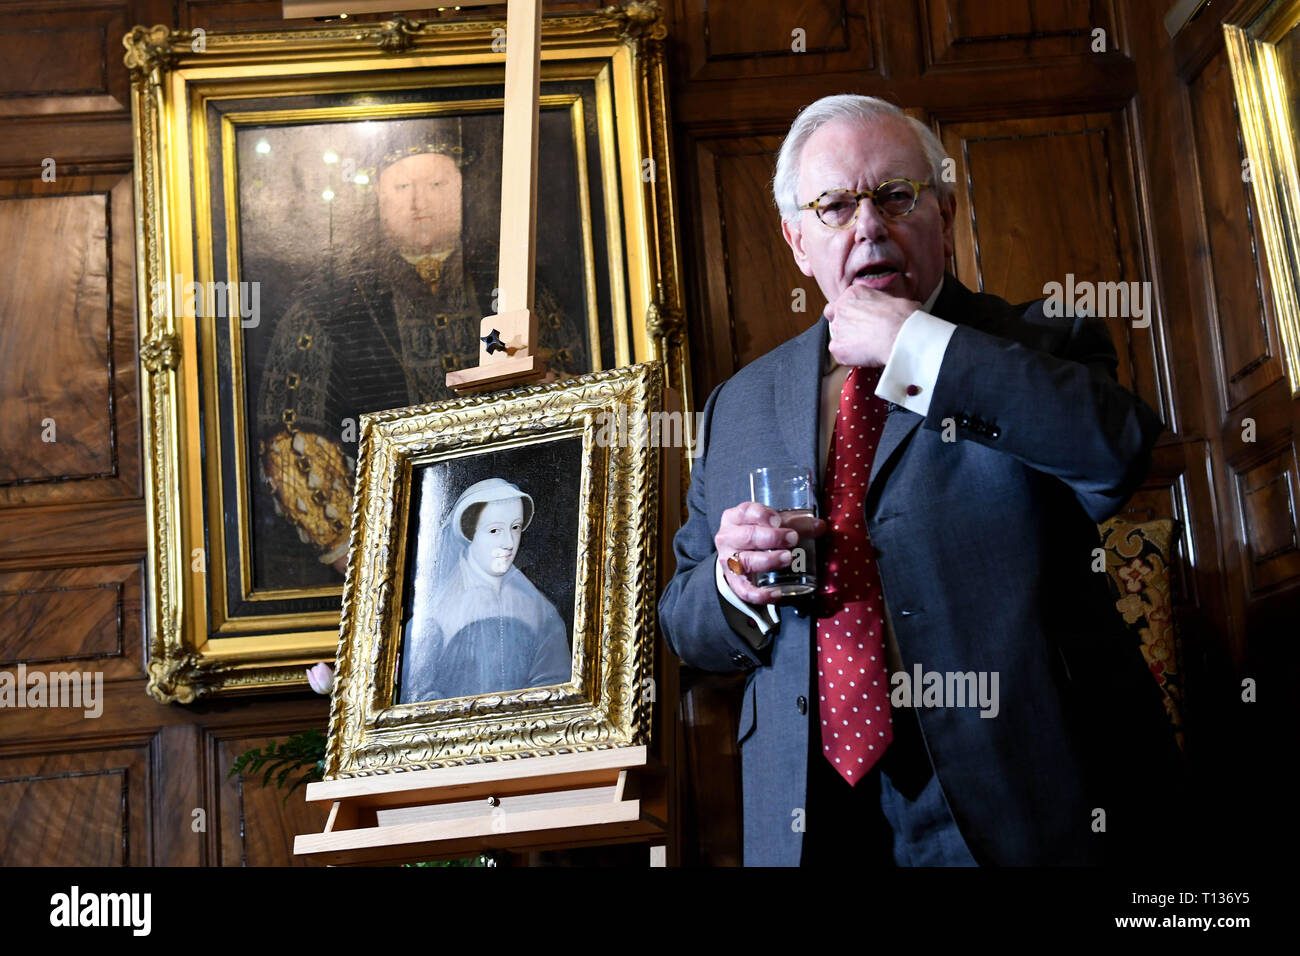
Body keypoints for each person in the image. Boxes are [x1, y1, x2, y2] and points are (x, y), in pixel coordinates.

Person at [657, 94, 1183, 866]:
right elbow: (683, 620)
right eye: (835, 206)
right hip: (818, 814)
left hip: (1032, 795)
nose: (868, 225)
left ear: (946, 209)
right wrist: (737, 579)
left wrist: (924, 349)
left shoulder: (1040, 341)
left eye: (896, 197)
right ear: (797, 240)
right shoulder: (737, 404)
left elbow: (1115, 452)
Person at [255, 121, 586, 578]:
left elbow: (583, 397)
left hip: (526, 529)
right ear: (379, 198)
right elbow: (292, 436)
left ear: (461, 192)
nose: (418, 202)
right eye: (402, 186)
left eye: (436, 184)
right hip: (400, 546)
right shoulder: (327, 301)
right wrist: (360, 559)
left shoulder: (515, 280)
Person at [398, 477, 571, 703]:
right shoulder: (436, 614)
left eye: (515, 527)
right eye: (494, 530)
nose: (509, 542)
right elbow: (417, 701)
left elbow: (557, 685)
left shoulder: (538, 608)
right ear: (470, 533)